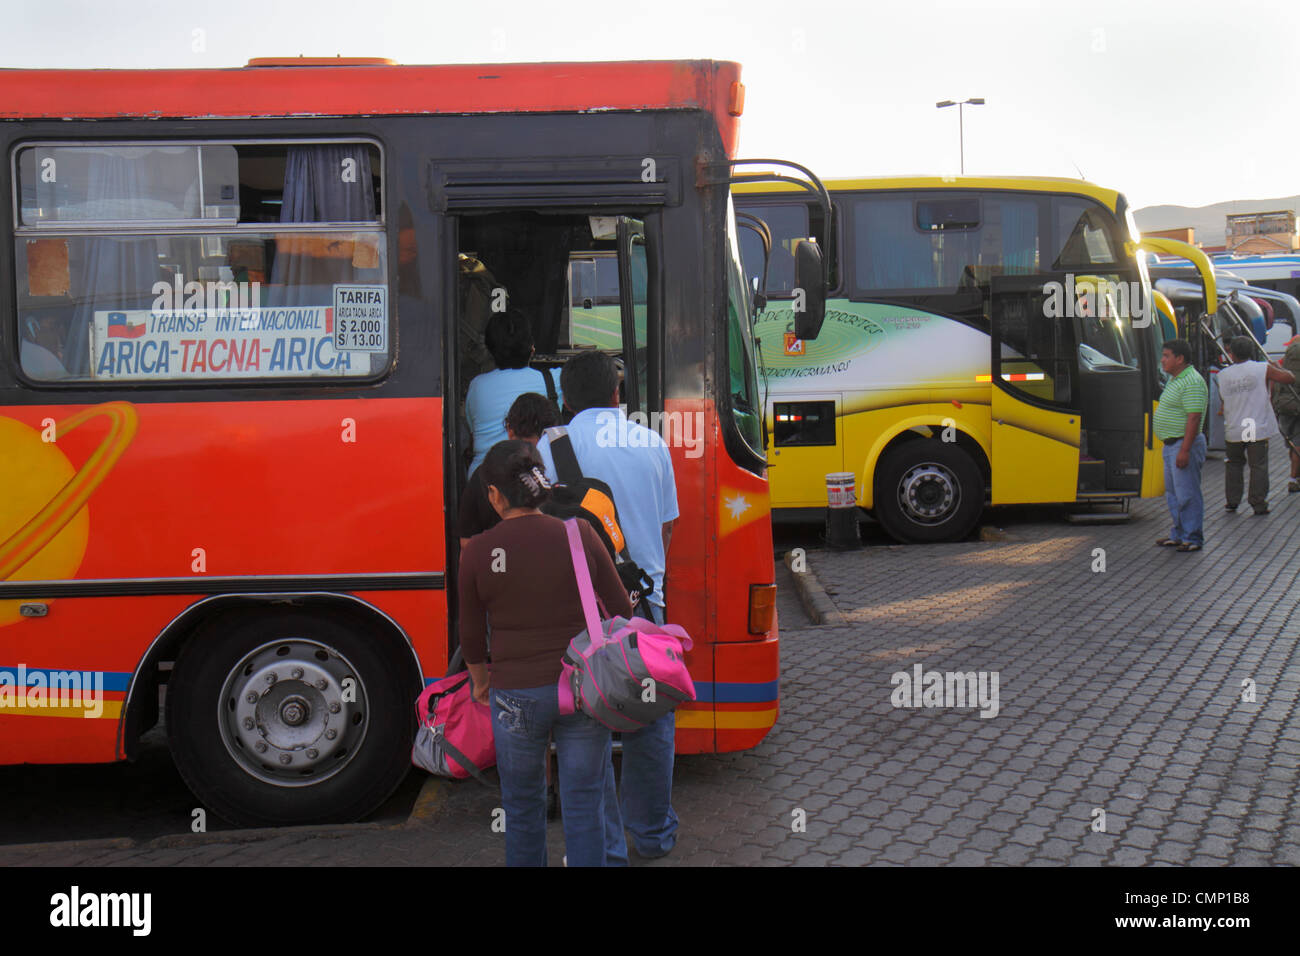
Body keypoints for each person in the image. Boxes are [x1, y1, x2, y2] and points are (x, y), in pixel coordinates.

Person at [459, 440, 633, 867]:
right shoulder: (579, 533)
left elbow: (469, 634)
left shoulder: (478, 552)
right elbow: (623, 609)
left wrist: (481, 682)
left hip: (515, 695)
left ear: (495, 495)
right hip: (581, 690)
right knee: (585, 803)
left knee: (521, 808)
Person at [536, 350, 680, 862]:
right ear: (618, 393)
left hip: (578, 614)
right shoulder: (651, 440)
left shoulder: (551, 448)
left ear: (566, 399)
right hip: (644, 606)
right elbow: (666, 527)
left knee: (586, 728)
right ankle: (653, 834)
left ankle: (608, 850)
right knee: (652, 721)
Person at [464, 308, 562, 476]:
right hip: (535, 481)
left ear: (489, 350)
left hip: (483, 482)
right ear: (531, 347)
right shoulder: (554, 380)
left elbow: (473, 433)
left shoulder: (476, 386)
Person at [458, 392, 560, 549]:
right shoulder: (563, 467)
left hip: (497, 566)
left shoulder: (485, 472)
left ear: (509, 429)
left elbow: (465, 541)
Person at [1218, 335, 1295, 515]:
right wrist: (1276, 365)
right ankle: (1258, 502)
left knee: (1234, 464)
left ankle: (1232, 501)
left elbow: (1223, 400)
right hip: (1253, 424)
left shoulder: (1223, 375)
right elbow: (1289, 378)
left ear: (1232, 352)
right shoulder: (1262, 369)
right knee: (1258, 465)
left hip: (1233, 426)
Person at [1153, 339, 1208, 552]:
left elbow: (1194, 418)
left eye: (1166, 356)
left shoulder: (1192, 381)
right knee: (1174, 493)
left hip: (1183, 445)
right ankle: (1178, 534)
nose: (1162, 360)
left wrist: (1185, 450)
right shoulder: (1175, 379)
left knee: (1187, 494)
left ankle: (1192, 538)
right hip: (1171, 445)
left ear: (1180, 358)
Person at [1270, 332, 1300, 493]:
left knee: (1292, 444)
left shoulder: (1283, 364)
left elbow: (1274, 384)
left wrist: (1273, 404)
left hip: (1284, 407)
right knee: (1298, 443)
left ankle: (1295, 475)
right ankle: (1293, 478)